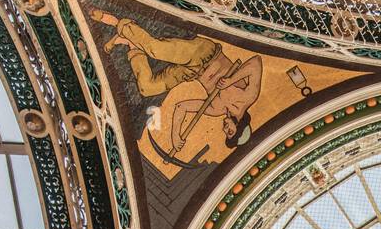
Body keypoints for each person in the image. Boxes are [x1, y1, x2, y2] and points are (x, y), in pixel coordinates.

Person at [91, 9, 261, 152]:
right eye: (230, 132)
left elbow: (182, 107)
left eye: (227, 133)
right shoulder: (248, 97)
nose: (225, 129)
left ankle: (132, 46)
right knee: (156, 50)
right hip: (204, 54)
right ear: (239, 126)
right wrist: (231, 80)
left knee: (148, 88)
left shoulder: (217, 109)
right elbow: (255, 63)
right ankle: (116, 22)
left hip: (192, 72)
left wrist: (175, 135)